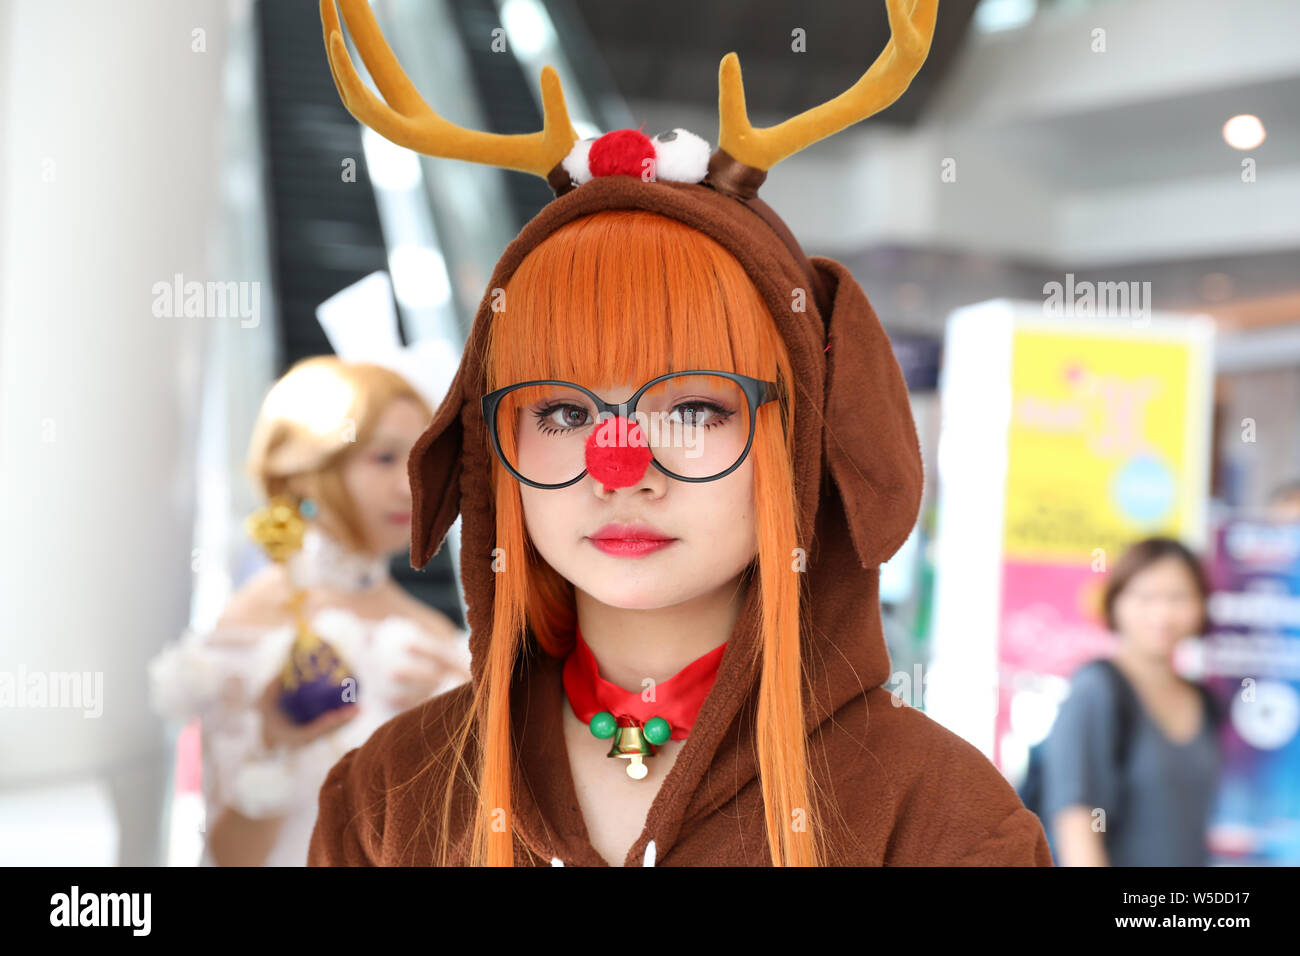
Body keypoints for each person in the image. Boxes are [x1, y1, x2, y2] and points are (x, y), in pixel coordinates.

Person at [309, 0, 1049, 866]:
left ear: (801, 438)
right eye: (563, 412)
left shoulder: (937, 817)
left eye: (695, 411)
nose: (620, 468)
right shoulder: (392, 796)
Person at [149, 356, 471, 866]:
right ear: (308, 468)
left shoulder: (433, 635)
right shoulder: (254, 626)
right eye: (385, 458)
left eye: (420, 459)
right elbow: (230, 855)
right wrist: (276, 741)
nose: (410, 482)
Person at [1043, 537, 1221, 866]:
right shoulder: (1096, 690)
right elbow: (1075, 819)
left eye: (1178, 597)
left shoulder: (1206, 702)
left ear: (1200, 605)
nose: (1163, 614)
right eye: (1145, 597)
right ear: (1116, 602)